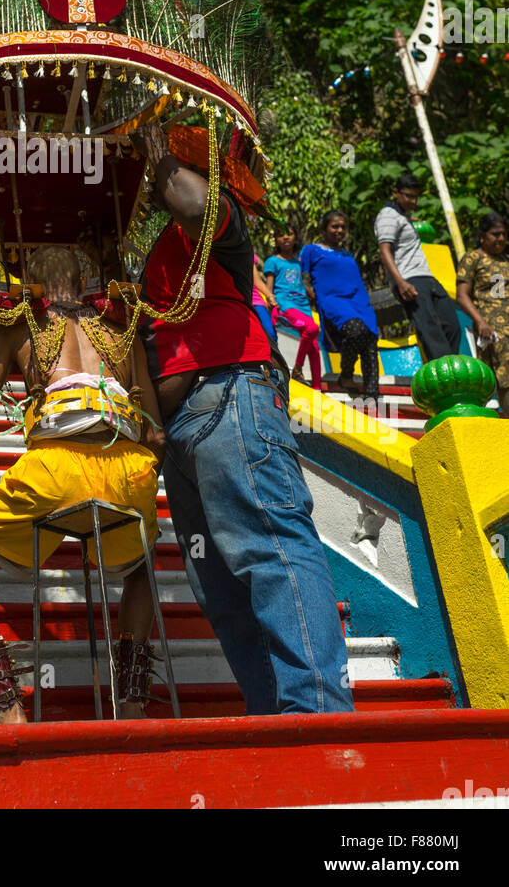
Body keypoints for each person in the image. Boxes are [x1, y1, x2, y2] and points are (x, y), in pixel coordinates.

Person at [133, 121, 352, 716]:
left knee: (272, 554)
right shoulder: (160, 250)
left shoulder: (219, 215)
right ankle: (277, 722)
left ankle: (319, 721)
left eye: (168, 167)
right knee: (219, 587)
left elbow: (194, 201)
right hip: (184, 428)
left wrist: (156, 154)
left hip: (233, 397)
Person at [0, 244, 166, 723]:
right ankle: (130, 699)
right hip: (128, 471)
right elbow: (156, 434)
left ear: (27, 280)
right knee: (142, 564)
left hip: (51, 471)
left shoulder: (18, 323)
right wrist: (141, 485)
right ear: (85, 277)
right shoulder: (120, 327)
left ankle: (4, 705)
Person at [374, 172, 461, 360]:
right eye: (409, 196)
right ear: (395, 193)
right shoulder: (387, 216)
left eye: (416, 197)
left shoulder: (402, 216)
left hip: (427, 277)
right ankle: (443, 373)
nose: (413, 201)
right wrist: (400, 283)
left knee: (452, 324)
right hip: (409, 279)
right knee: (428, 328)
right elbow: (385, 251)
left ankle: (451, 366)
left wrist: (410, 219)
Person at [300, 211, 379, 406]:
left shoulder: (347, 253)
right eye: (335, 226)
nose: (340, 230)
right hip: (333, 300)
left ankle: (372, 397)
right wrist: (308, 291)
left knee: (369, 343)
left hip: (360, 302)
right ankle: (346, 375)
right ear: (324, 229)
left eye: (343, 227)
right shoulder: (312, 250)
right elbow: (298, 274)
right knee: (355, 330)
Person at [456, 212, 509, 417]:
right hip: (492, 329)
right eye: (496, 234)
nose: (501, 239)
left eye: (504, 234)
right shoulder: (473, 258)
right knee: (505, 373)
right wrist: (480, 322)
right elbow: (462, 296)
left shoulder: (505, 260)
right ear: (483, 235)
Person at [262, 226, 322, 389]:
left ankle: (317, 388)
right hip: (285, 303)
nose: (286, 237)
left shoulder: (297, 263)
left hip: (303, 304)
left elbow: (299, 283)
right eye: (281, 235)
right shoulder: (272, 261)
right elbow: (269, 285)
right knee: (312, 328)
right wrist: (270, 301)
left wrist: (312, 292)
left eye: (290, 234)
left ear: (296, 239)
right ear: (276, 240)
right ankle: (297, 368)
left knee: (315, 348)